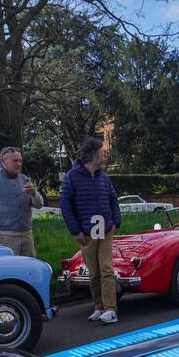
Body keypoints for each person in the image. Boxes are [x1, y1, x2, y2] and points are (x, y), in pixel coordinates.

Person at [60, 136, 123, 324]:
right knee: (93, 271)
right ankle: (99, 307)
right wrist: (75, 230)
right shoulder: (72, 176)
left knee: (106, 268)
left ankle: (111, 309)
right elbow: (65, 204)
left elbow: (113, 199)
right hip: (86, 231)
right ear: (93, 155)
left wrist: (116, 221)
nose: (105, 155)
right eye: (102, 152)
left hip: (106, 228)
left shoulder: (104, 177)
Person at [0, 146, 44, 258]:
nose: (19, 164)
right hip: (5, 237)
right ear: (3, 162)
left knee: (28, 270)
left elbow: (39, 205)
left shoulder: (25, 179)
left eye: (20, 161)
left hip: (27, 235)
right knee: (10, 271)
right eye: (15, 161)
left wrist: (34, 194)